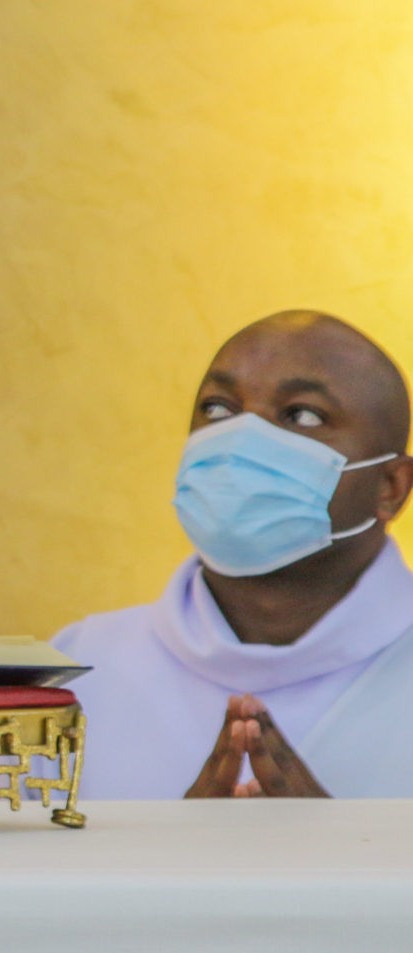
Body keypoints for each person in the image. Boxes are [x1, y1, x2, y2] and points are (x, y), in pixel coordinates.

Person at [58, 310, 413, 798]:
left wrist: (347, 857)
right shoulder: (74, 672)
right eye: (219, 409)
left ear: (390, 487)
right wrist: (169, 861)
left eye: (302, 415)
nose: (241, 439)